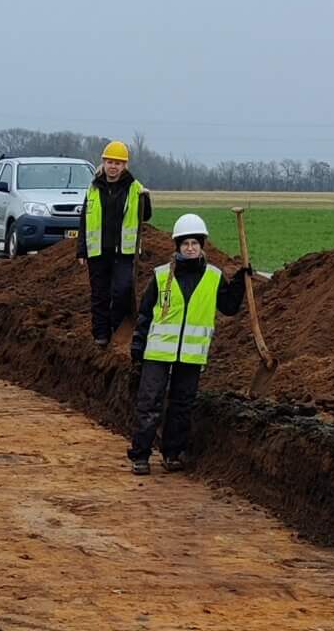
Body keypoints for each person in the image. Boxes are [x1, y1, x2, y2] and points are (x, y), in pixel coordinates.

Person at [127, 213, 248, 475]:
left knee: (181, 406)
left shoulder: (214, 277)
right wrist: (138, 346)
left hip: (191, 356)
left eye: (194, 243)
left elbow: (228, 307)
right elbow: (145, 314)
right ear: (178, 246)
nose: (190, 248)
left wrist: (239, 282)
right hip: (158, 353)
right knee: (149, 404)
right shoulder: (161, 277)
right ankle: (140, 456)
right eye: (185, 244)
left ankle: (172, 454)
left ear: (201, 245)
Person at [77, 141, 152, 345]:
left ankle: (118, 331)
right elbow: (85, 220)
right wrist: (81, 250)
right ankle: (101, 336)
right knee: (99, 295)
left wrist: (147, 198)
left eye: (118, 163)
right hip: (98, 251)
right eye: (110, 162)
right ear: (103, 162)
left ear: (124, 165)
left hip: (124, 253)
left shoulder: (135, 188)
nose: (113, 166)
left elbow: (145, 216)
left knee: (121, 292)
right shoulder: (93, 188)